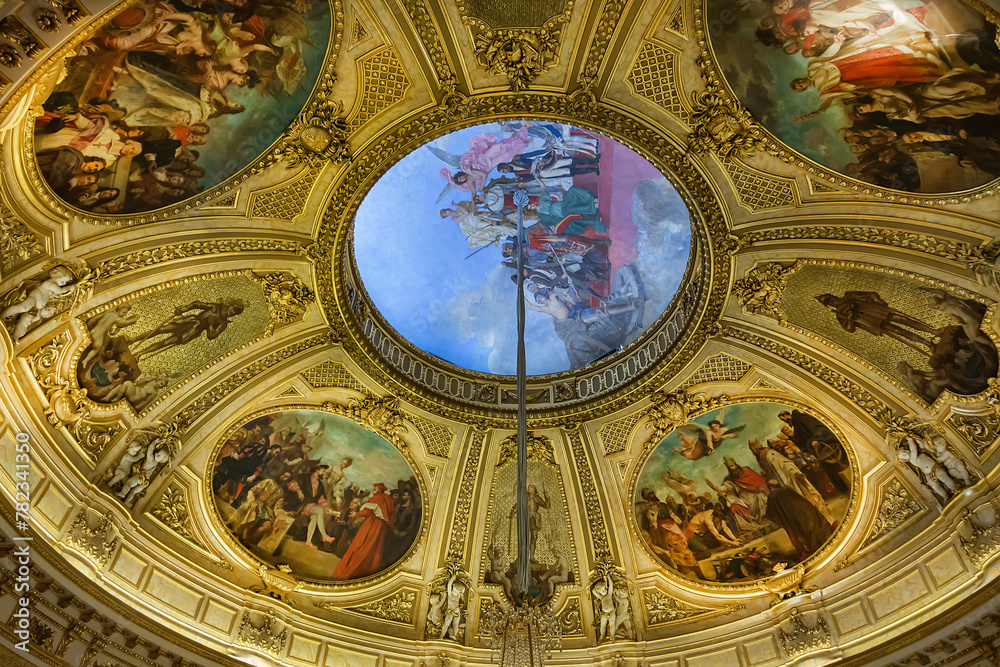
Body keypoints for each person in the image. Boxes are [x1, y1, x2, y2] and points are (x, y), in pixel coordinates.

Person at [130, 297, 245, 360]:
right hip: (188, 321)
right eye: (234, 309)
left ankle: (141, 353)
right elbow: (198, 304)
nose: (232, 313)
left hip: (193, 331)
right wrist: (186, 308)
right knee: (162, 329)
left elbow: (212, 335)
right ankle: (134, 339)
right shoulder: (216, 307)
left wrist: (210, 324)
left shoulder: (223, 323)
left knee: (166, 342)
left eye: (235, 313)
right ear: (230, 305)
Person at [333, 482, 396, 580]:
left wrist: (356, 514)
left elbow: (368, 511)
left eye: (375, 488)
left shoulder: (378, 498)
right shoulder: (387, 499)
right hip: (380, 527)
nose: (373, 490)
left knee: (362, 545)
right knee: (374, 548)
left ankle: (351, 570)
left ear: (380, 489)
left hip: (372, 524)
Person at [764, 479, 834, 560]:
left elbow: (770, 514)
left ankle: (814, 549)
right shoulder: (787, 489)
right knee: (812, 530)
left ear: (770, 487)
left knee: (801, 534)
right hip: (808, 512)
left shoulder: (773, 496)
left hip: (798, 518)